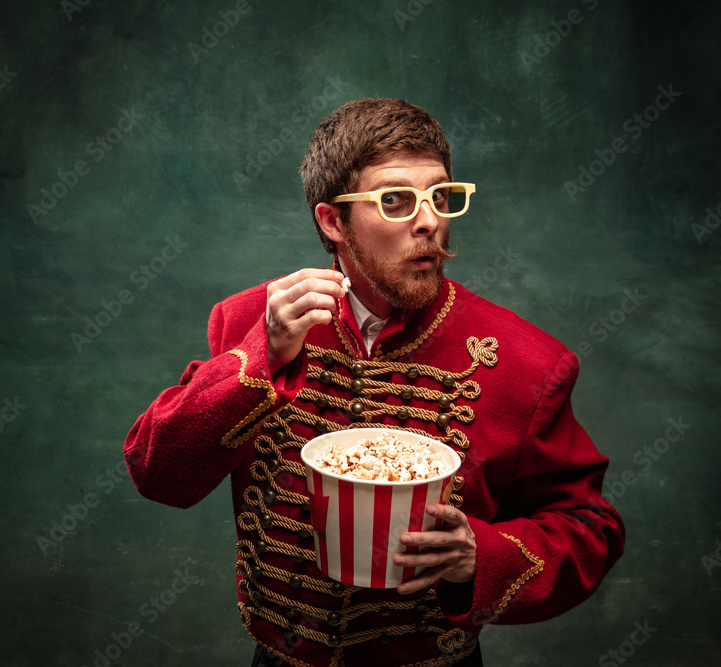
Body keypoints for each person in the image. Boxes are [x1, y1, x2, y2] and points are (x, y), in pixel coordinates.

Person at [123, 98, 625, 667]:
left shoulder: (527, 361)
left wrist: (479, 555)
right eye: (396, 200)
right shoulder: (247, 322)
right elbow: (156, 471)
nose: (430, 220)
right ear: (333, 220)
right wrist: (263, 356)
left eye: (441, 196)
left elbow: (589, 530)